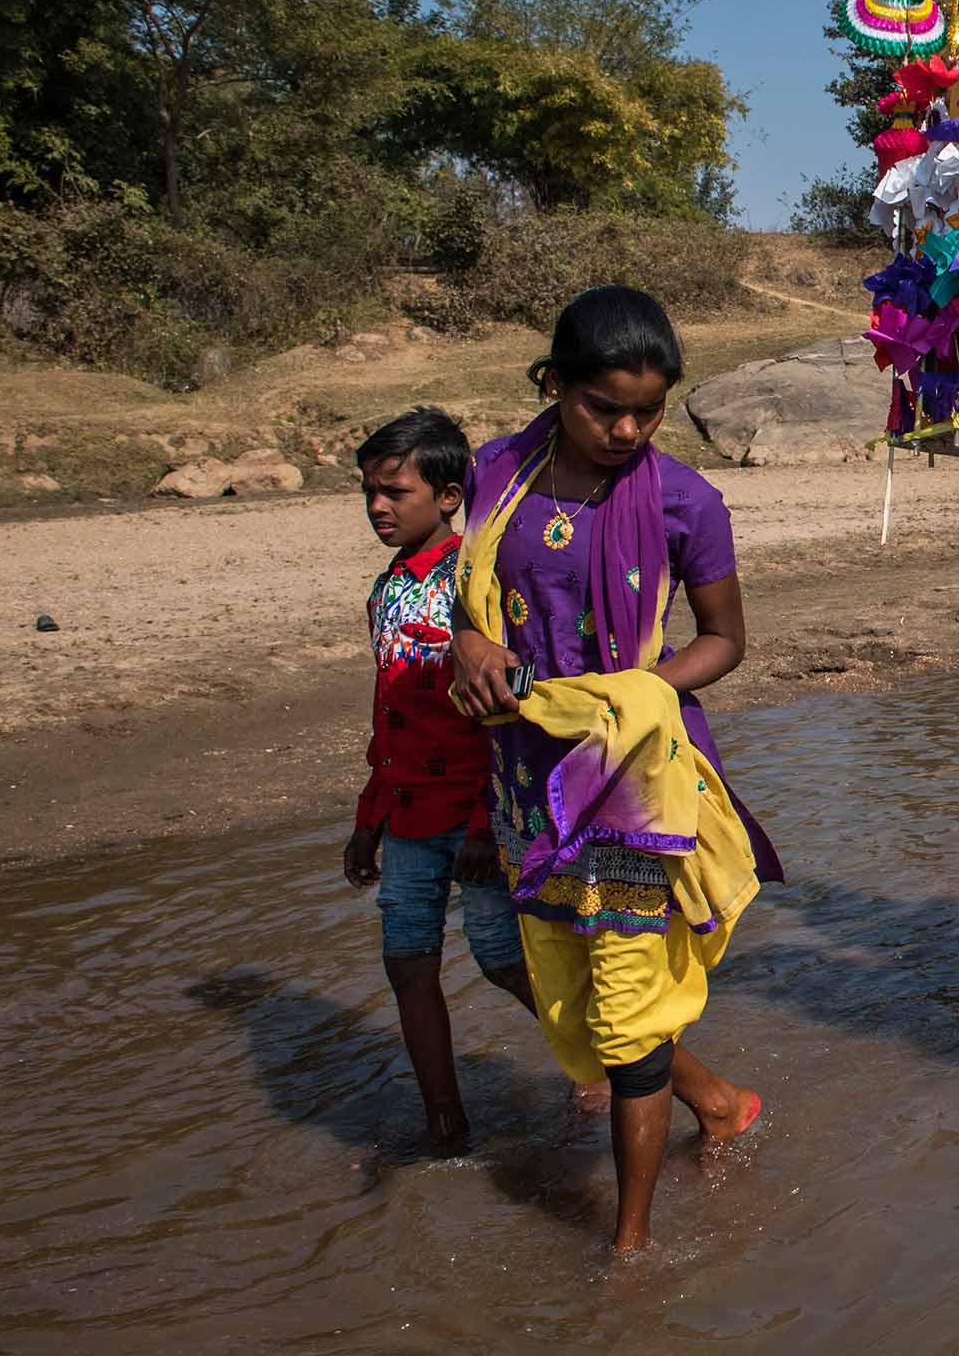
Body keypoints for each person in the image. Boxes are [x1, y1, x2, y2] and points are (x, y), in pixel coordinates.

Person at [448, 285, 779, 1252]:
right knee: (573, 986)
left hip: (632, 783)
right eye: (604, 407)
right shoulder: (494, 476)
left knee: (631, 1015)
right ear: (555, 385)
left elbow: (724, 641)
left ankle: (627, 1252)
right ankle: (719, 1104)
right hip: (523, 776)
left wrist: (636, 692)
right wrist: (470, 645)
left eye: (649, 410)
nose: (628, 428)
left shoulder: (686, 501)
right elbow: (466, 601)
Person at [348, 407, 559, 1142]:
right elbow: (390, 712)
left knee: (504, 963)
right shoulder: (385, 591)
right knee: (407, 963)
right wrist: (367, 815)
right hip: (407, 815)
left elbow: (500, 716)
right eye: (370, 491)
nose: (378, 506)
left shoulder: (477, 586)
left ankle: (618, 1071)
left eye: (395, 492)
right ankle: (444, 1122)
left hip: (478, 816)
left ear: (446, 496)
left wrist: (481, 822)